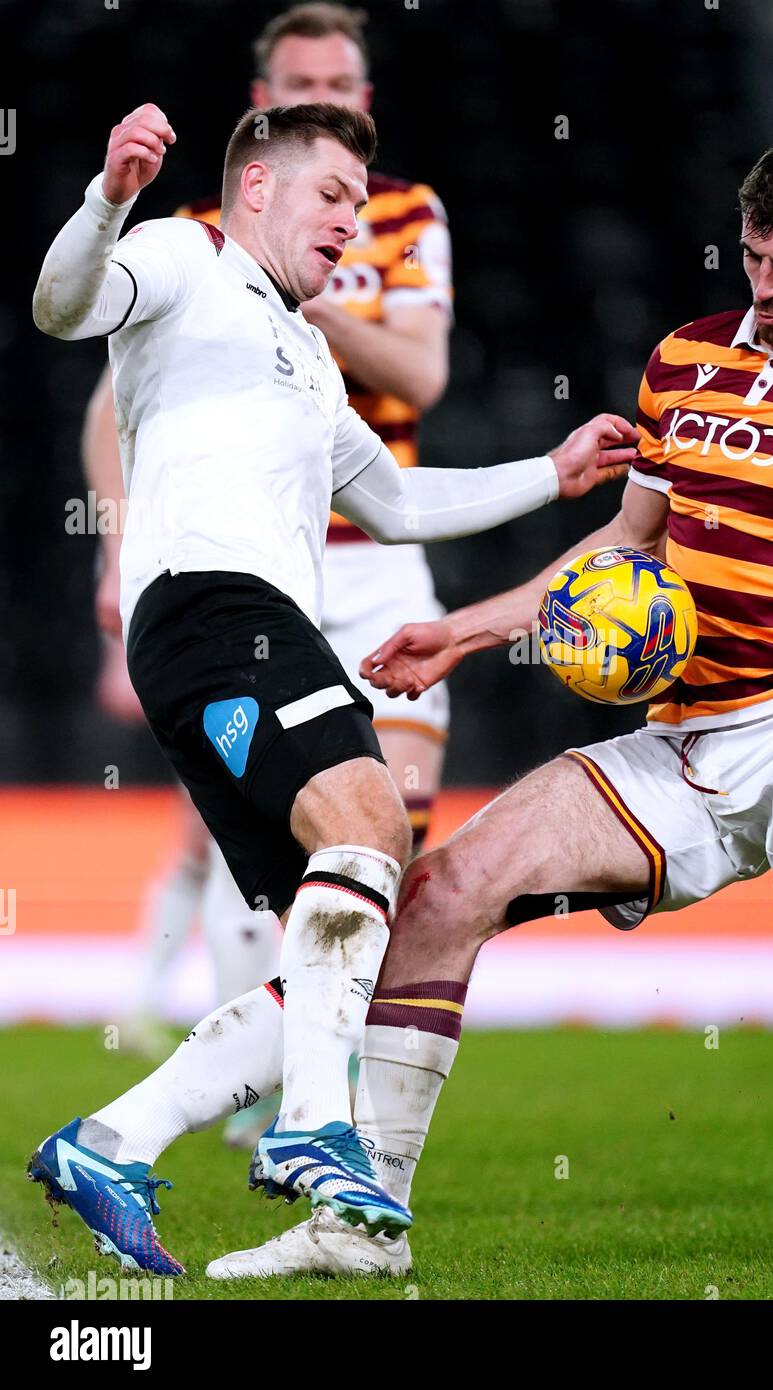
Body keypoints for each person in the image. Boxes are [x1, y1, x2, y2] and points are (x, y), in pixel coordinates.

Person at [209, 136, 773, 1295]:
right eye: (748, 259)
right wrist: (467, 630)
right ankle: (364, 1221)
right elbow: (624, 545)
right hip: (684, 730)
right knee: (439, 893)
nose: (761, 289)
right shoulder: (684, 359)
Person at [27, 98, 637, 1275]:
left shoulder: (307, 355)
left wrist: (556, 476)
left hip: (250, 632)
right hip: (214, 609)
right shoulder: (186, 253)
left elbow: (399, 501)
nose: (352, 226)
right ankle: (314, 1126)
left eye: (360, 205)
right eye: (333, 198)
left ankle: (115, 1137)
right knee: (368, 820)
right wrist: (110, 195)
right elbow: (63, 307)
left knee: (360, 900)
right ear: (256, 187)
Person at [84, 5, 454, 1128]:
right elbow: (110, 413)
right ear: (263, 103)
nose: (330, 96)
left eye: (344, 81)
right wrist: (121, 547)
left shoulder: (400, 216)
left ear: (369, 97)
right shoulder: (200, 237)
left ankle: (303, 1094)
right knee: (265, 847)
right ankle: (281, 1108)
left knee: (393, 834)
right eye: (304, 82)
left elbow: (423, 378)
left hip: (376, 568)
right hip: (240, 565)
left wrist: (303, 288)